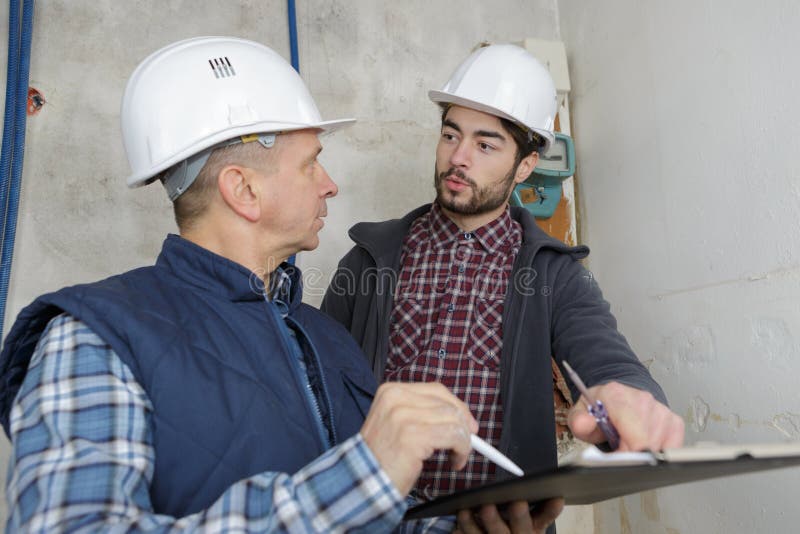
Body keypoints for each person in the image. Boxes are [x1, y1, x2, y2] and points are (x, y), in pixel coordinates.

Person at [0, 37, 562, 533]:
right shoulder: (94, 339)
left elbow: (368, 515)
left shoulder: (326, 340)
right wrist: (363, 473)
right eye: (311, 164)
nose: (331, 185)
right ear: (243, 191)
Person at [321, 43, 685, 505]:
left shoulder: (556, 275)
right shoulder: (368, 260)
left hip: (499, 522)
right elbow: (319, 383)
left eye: (485, 144)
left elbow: (606, 357)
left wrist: (631, 398)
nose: (459, 157)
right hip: (373, 516)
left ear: (525, 166)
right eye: (451, 135)